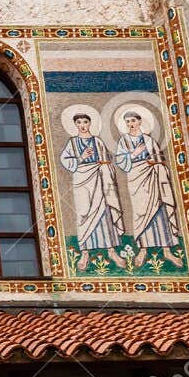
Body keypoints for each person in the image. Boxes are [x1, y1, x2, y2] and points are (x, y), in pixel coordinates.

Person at [58, 111, 127, 271]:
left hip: (100, 180)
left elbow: (107, 160)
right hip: (82, 181)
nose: (82, 125)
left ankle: (111, 251)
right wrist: (81, 158)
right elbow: (65, 160)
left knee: (104, 213)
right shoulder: (73, 142)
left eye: (85, 122)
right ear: (75, 125)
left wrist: (105, 166)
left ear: (90, 123)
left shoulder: (97, 141)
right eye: (79, 122)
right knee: (83, 214)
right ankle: (85, 252)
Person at [114, 110, 181, 267]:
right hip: (136, 178)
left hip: (153, 176)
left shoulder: (150, 141)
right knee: (140, 212)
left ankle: (167, 251)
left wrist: (154, 162)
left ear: (139, 122)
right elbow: (120, 161)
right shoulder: (123, 141)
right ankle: (143, 249)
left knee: (160, 210)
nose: (130, 124)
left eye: (133, 120)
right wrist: (133, 154)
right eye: (128, 121)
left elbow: (160, 159)